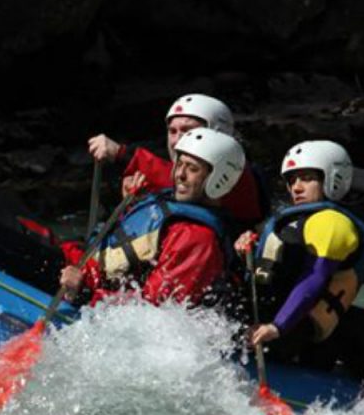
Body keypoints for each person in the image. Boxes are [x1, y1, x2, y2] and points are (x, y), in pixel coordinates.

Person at [58, 127, 245, 308]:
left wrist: (85, 292)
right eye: (179, 164)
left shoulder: (196, 239)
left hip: (90, 292)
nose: (179, 174)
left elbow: (154, 311)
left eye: (192, 169)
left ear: (219, 178)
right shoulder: (167, 199)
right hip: (82, 267)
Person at [239, 141, 364, 368]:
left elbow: (315, 277)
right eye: (292, 180)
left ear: (333, 179)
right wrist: (246, 251)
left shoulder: (333, 223)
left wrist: (277, 326)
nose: (296, 188)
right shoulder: (293, 219)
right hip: (271, 318)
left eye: (307, 178)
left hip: (300, 330)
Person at [85, 93, 269, 230]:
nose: (177, 141)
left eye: (187, 130)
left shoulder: (235, 171)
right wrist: (135, 204)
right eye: (172, 131)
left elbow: (175, 181)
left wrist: (122, 154)